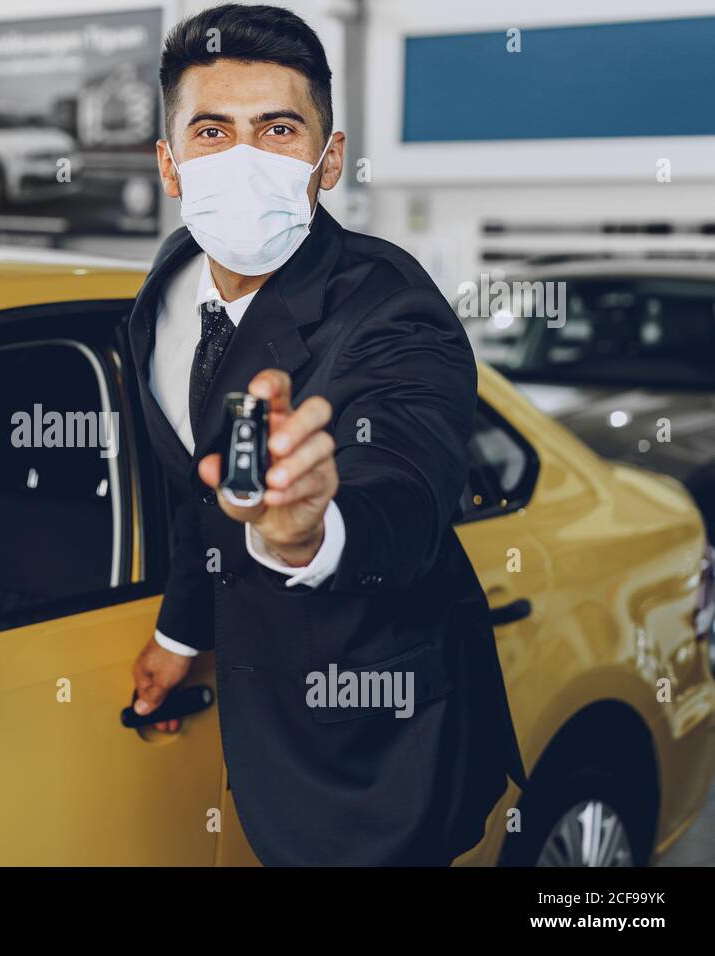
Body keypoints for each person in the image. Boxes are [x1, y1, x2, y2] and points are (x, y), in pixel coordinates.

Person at [126, 3, 526, 866]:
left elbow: (410, 492)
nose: (241, 157)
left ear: (328, 157)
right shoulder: (164, 289)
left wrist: (312, 529)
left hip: (369, 755)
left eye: (277, 128)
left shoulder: (393, 305)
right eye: (211, 131)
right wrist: (178, 635)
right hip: (242, 712)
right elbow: (200, 497)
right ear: (170, 165)